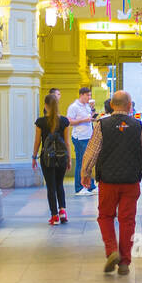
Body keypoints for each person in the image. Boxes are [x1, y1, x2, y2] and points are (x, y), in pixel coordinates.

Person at [81, 89, 142, 275]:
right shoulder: (138, 125)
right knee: (127, 219)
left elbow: (92, 151)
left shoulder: (102, 125)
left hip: (108, 180)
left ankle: (112, 250)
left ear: (111, 105)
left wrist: (85, 172)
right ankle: (124, 262)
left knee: (105, 216)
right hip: (131, 181)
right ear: (130, 106)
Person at [32, 93, 71, 225]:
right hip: (61, 157)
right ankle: (62, 211)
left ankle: (54, 216)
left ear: (45, 105)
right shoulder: (64, 121)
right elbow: (67, 143)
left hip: (47, 158)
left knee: (51, 186)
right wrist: (69, 159)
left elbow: (37, 142)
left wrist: (34, 157)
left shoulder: (41, 122)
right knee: (60, 184)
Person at [67, 86, 96, 195]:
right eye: (88, 95)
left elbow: (90, 117)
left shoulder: (87, 106)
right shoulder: (74, 107)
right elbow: (69, 121)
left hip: (88, 136)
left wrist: (93, 110)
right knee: (81, 162)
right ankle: (79, 188)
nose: (89, 97)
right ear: (82, 95)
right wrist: (84, 120)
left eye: (90, 95)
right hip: (80, 138)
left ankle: (90, 186)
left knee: (89, 162)